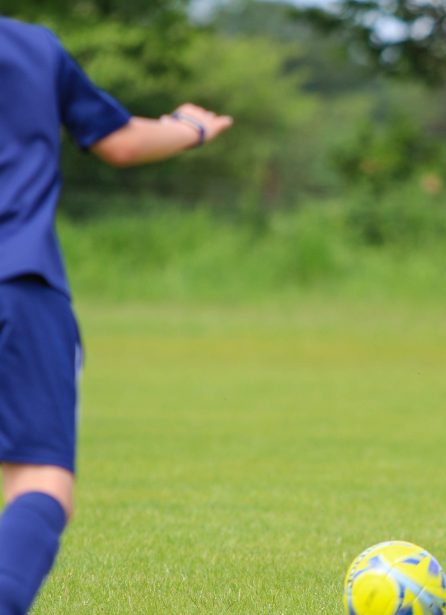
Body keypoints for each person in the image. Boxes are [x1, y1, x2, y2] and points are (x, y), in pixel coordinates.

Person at [0, 17, 232, 614]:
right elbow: (120, 141)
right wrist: (189, 129)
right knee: (38, 481)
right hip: (17, 283)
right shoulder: (28, 47)